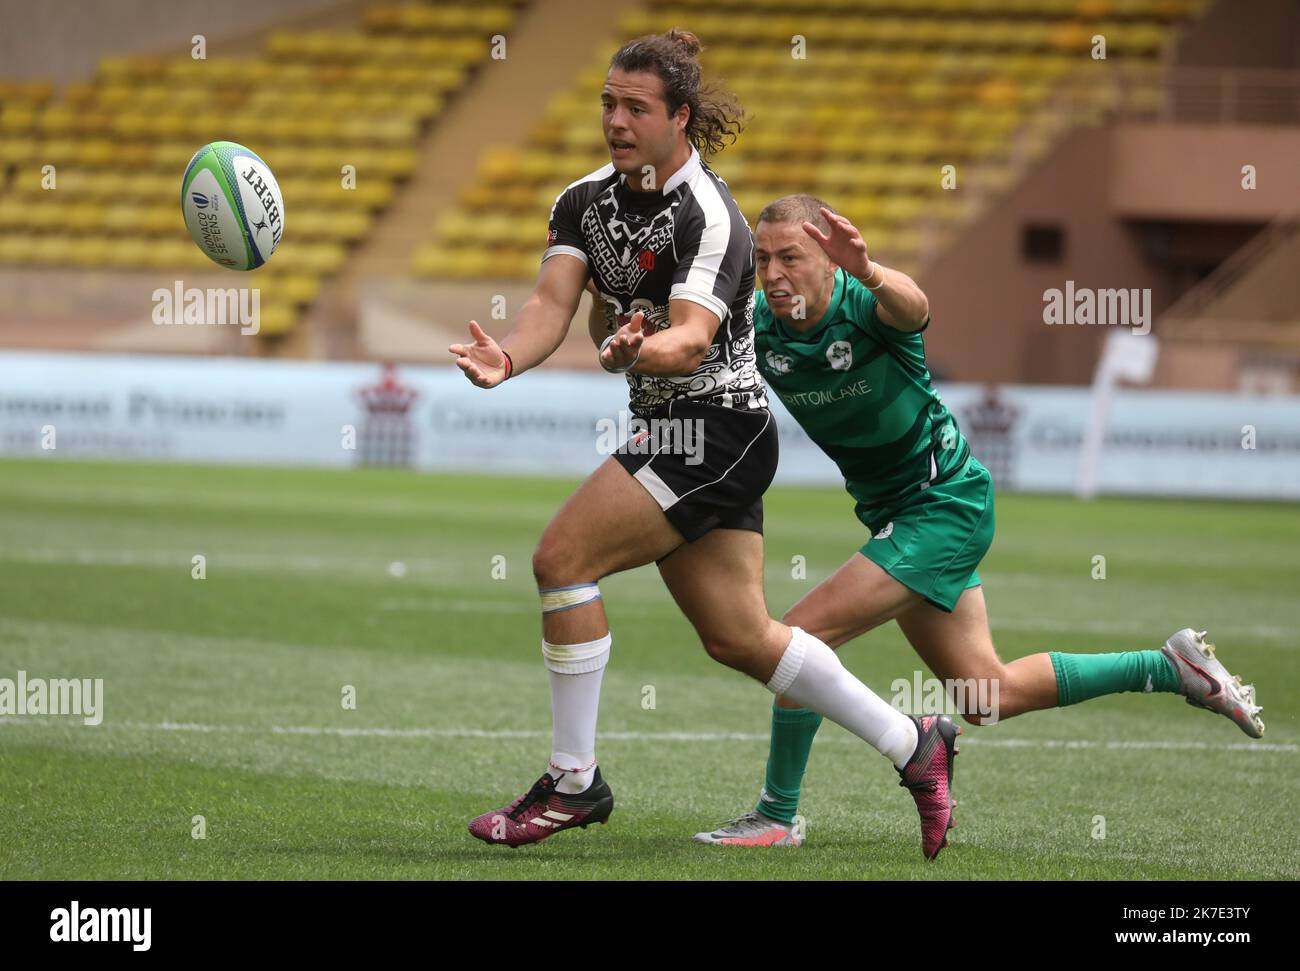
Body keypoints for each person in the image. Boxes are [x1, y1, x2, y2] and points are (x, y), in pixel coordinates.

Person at [450, 32, 960, 859]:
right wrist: (509, 356)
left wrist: (632, 351)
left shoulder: (710, 216)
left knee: (560, 558)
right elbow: (550, 303)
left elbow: (688, 342)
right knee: (741, 637)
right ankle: (914, 743)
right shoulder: (583, 200)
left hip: (714, 428)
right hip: (678, 429)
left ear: (679, 116)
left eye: (635, 107)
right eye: (608, 103)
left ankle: (573, 782)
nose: (615, 120)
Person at [687, 194, 1265, 849]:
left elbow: (915, 307)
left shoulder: (863, 301)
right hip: (899, 515)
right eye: (763, 259)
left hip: (943, 504)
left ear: (828, 262)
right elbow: (696, 341)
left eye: (790, 257)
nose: (772, 273)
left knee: (795, 640)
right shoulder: (759, 322)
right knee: (987, 694)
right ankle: (1170, 667)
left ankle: (777, 814)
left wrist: (871, 270)